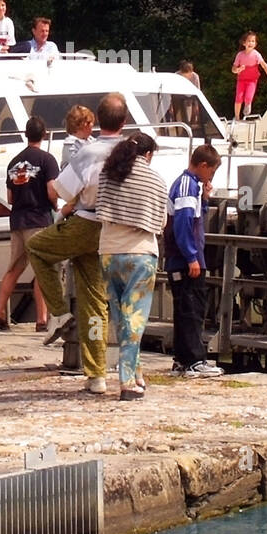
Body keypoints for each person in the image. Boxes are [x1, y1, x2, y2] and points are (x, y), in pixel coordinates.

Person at [27, 93, 128, 394]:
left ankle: (57, 313)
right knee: (96, 302)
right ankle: (96, 373)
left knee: (37, 248)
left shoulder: (89, 152)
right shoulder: (131, 152)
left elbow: (60, 189)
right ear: (124, 121)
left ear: (99, 119)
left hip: (88, 222)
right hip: (115, 230)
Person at [96, 133, 168, 401]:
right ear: (148, 155)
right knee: (134, 319)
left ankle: (137, 373)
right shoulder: (156, 180)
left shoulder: (107, 173)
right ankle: (126, 382)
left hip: (108, 251)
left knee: (119, 316)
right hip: (140, 253)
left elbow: (98, 207)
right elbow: (160, 223)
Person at [0, 116, 58, 331]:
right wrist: (56, 205)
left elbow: (10, 198)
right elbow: (51, 191)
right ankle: (41, 319)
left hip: (17, 220)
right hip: (38, 219)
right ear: (44, 134)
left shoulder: (13, 162)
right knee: (42, 270)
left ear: (26, 134)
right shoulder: (47, 160)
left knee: (13, 269)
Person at [165, 144, 224, 378]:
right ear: (202, 166)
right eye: (211, 171)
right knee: (192, 309)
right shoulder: (188, 186)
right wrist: (191, 257)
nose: (211, 176)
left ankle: (182, 359)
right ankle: (194, 360)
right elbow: (183, 224)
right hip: (185, 260)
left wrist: (206, 199)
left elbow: (195, 217)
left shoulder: (189, 187)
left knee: (183, 310)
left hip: (180, 259)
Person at [231, 31, 267, 121]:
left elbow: (264, 65)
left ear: (255, 43)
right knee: (238, 98)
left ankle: (247, 106)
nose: (251, 43)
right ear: (244, 43)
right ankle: (237, 117)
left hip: (252, 80)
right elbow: (233, 69)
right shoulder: (240, 55)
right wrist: (238, 70)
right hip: (241, 80)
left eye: (253, 41)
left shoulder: (256, 54)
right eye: (249, 41)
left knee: (248, 97)